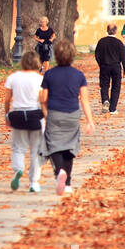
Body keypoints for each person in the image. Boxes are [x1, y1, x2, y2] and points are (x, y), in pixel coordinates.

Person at [39, 40, 96, 194]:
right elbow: (84, 100)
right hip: (72, 114)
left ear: (56, 55)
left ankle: (59, 174)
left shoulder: (49, 74)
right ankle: (68, 183)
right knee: (69, 147)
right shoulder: (79, 75)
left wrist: (45, 112)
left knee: (54, 145)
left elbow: (43, 98)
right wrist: (90, 121)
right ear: (72, 56)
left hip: (54, 113)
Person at [3, 51, 45, 192]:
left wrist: (7, 114)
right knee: (36, 150)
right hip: (35, 115)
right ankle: (33, 182)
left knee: (18, 147)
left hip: (18, 115)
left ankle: (18, 170)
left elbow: (7, 99)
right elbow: (42, 100)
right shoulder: (40, 79)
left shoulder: (13, 78)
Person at [94, 22, 125, 115]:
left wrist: (100, 64)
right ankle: (113, 108)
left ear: (107, 30)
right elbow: (123, 56)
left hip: (104, 66)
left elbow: (97, 54)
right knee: (116, 87)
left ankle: (105, 100)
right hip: (116, 66)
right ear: (116, 31)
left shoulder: (101, 41)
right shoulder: (119, 43)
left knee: (104, 85)